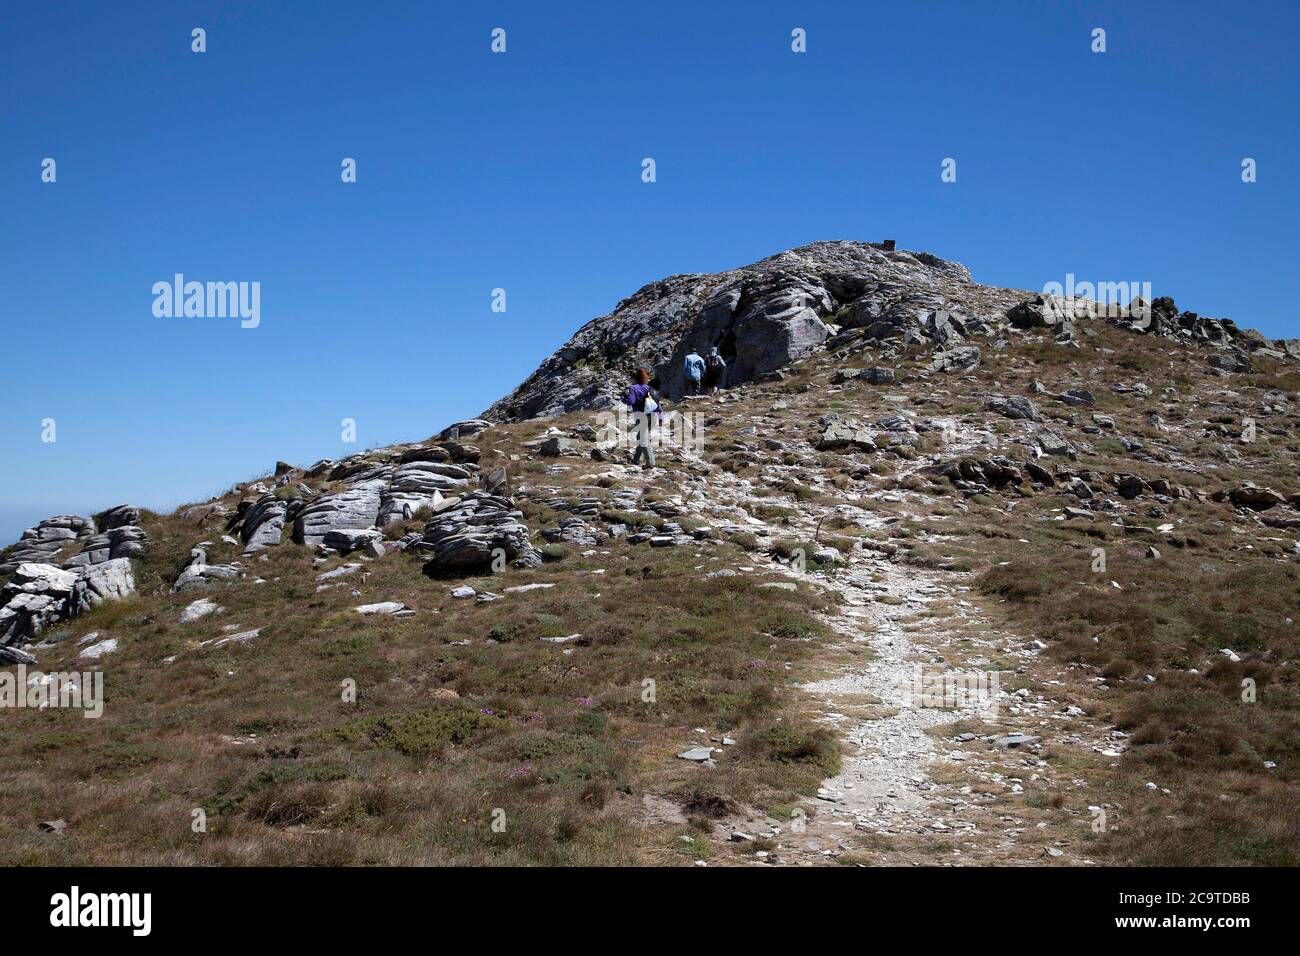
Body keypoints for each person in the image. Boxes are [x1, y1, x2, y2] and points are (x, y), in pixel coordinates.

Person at [623, 368, 658, 469]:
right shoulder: (648, 387)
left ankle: (650, 462)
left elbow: (630, 401)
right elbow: (656, 401)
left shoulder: (633, 388)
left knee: (642, 438)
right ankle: (636, 458)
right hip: (653, 414)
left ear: (635, 378)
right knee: (642, 436)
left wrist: (623, 398)